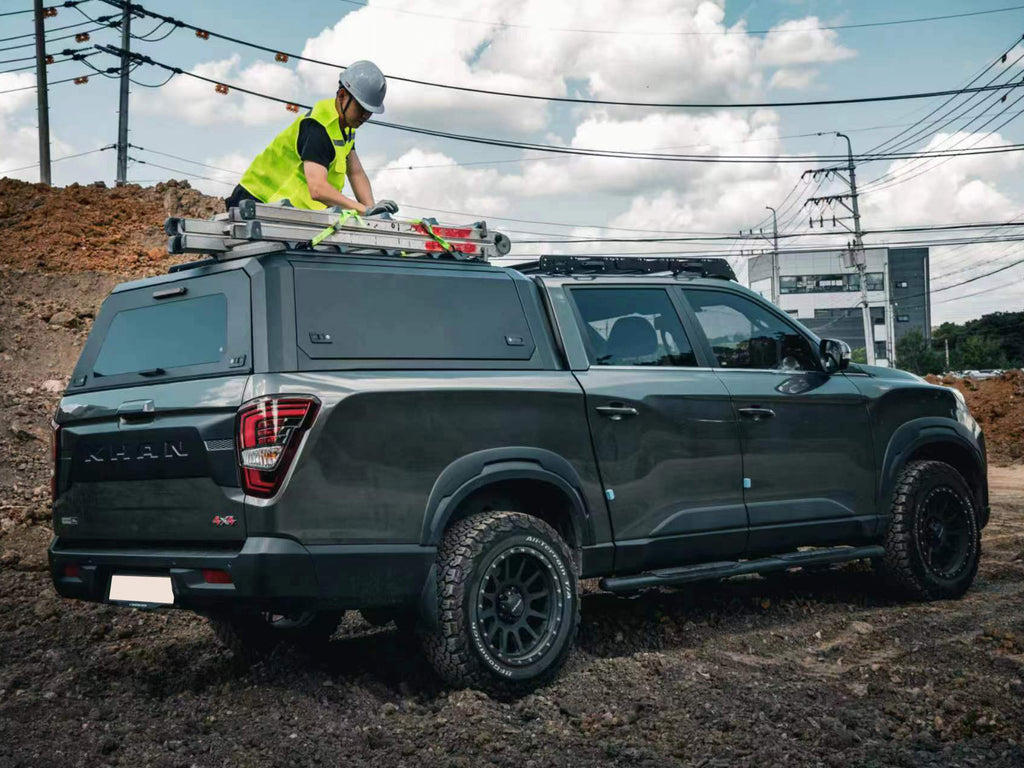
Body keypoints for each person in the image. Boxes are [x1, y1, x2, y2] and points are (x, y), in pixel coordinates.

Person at [225, 60, 398, 216]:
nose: (365, 115)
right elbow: (318, 189)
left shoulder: (345, 128)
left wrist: (373, 212)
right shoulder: (318, 127)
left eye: (370, 111)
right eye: (361, 108)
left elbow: (355, 172)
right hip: (256, 202)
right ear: (342, 96)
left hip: (283, 211)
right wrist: (363, 210)